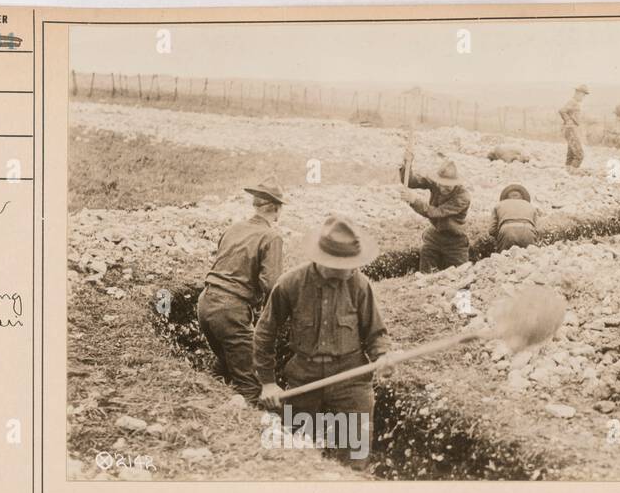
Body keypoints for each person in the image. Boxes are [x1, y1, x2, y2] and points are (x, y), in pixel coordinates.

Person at [255, 217, 393, 470]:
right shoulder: (290, 284)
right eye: (346, 264)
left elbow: (376, 334)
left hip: (351, 379)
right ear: (326, 261)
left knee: (355, 458)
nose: (353, 268)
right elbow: (265, 332)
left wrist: (382, 356)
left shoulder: (359, 285)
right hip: (304, 379)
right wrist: (268, 382)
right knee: (298, 457)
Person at [196, 181, 285, 402]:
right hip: (230, 311)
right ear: (276, 209)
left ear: (255, 205)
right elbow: (271, 283)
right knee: (250, 384)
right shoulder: (271, 237)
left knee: (226, 362)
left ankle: (203, 398)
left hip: (205, 304)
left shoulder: (234, 228)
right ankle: (250, 427)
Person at [398, 158, 471, 272]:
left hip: (455, 242)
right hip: (435, 237)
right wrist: (407, 164)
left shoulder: (463, 197)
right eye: (441, 184)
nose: (442, 188)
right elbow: (411, 180)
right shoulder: (435, 182)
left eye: (447, 186)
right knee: (425, 272)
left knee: (461, 279)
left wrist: (414, 200)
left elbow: (437, 212)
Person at [489, 183, 542, 251]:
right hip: (528, 232)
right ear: (522, 197)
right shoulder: (530, 206)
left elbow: (491, 230)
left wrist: (499, 237)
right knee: (529, 257)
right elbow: (538, 229)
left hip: (507, 232)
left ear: (506, 197)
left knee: (504, 258)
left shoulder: (499, 205)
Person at [559, 84, 589, 169]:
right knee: (579, 155)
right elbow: (562, 111)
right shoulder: (573, 102)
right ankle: (571, 173)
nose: (583, 98)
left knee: (571, 154)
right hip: (571, 129)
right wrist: (568, 120)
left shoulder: (574, 102)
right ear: (578, 93)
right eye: (583, 95)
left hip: (571, 129)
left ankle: (567, 173)